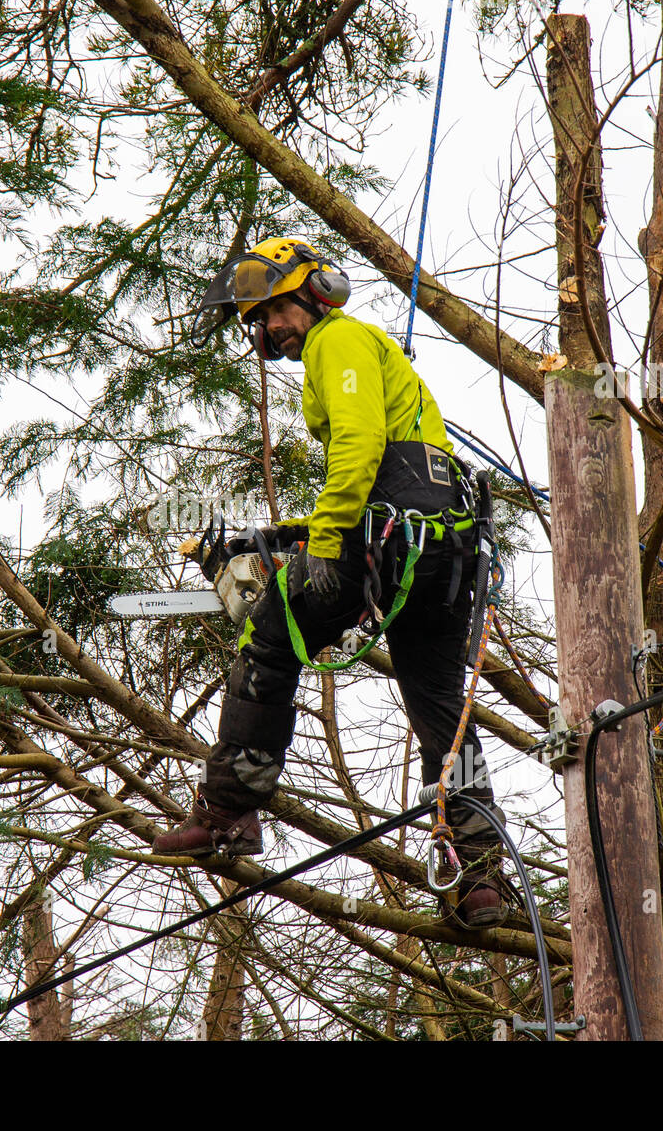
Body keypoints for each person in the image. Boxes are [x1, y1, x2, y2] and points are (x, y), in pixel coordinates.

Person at [154, 236, 517, 928]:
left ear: (309, 295)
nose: (268, 333)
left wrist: (321, 549)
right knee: (443, 712)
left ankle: (229, 810)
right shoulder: (368, 353)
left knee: (270, 636)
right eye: (258, 323)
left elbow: (356, 444)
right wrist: (302, 531)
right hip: (441, 551)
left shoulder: (338, 339)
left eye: (271, 315)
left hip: (390, 540)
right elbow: (389, 473)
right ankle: (480, 875)